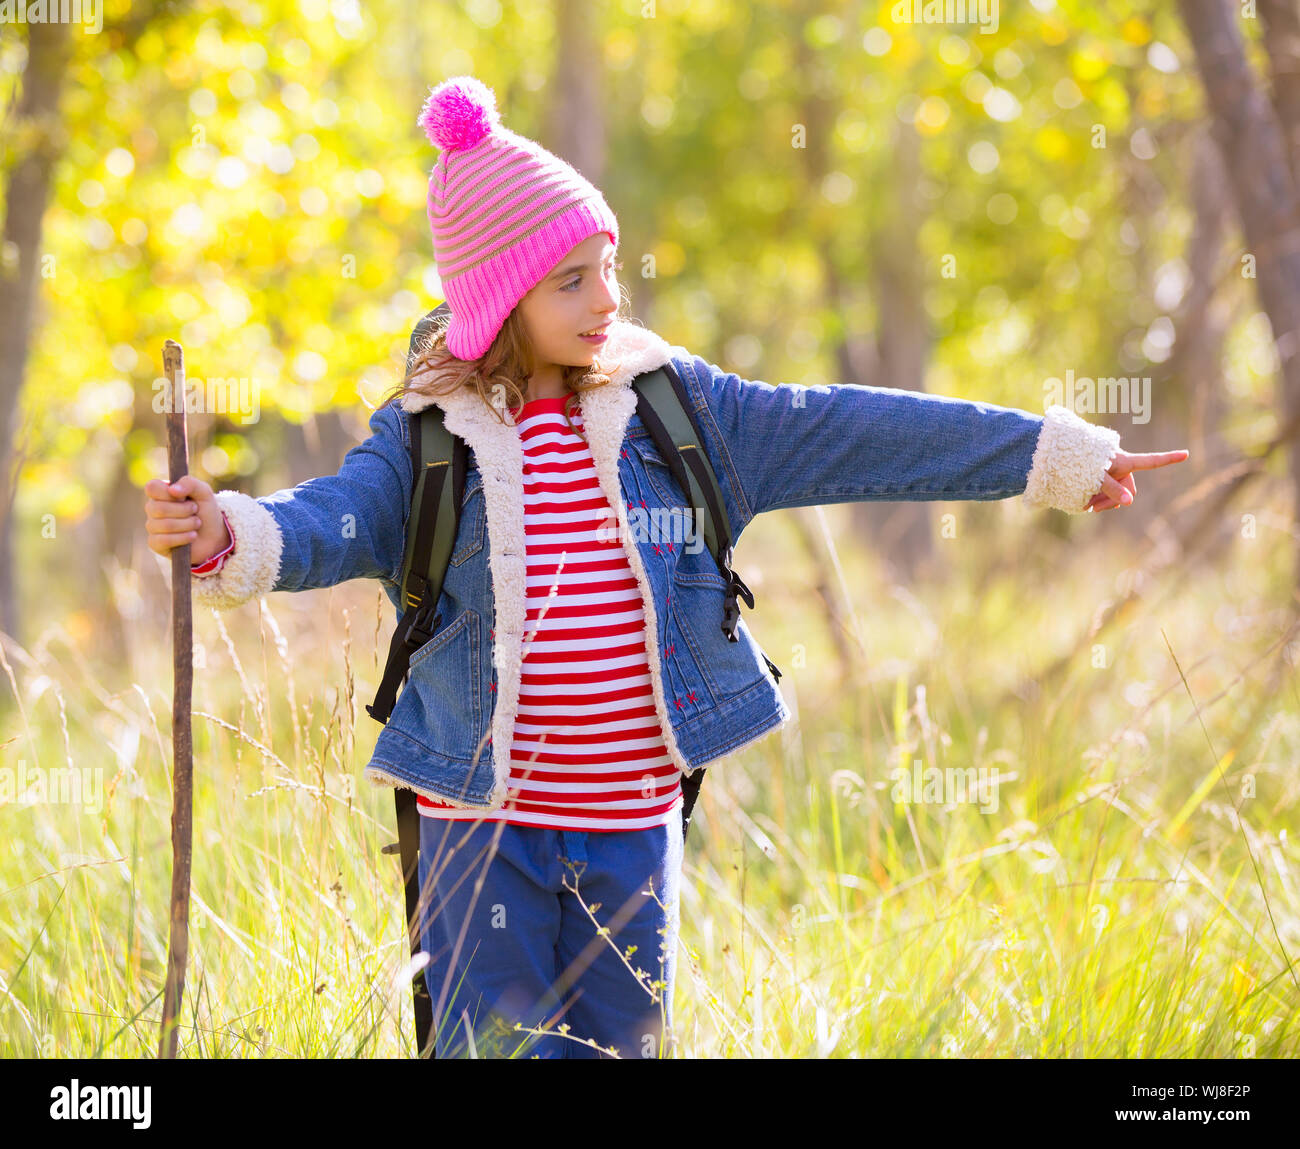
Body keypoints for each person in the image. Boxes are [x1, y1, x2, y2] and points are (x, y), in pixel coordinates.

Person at [143, 75, 1190, 1059]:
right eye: (569, 278)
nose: (607, 295)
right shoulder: (431, 438)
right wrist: (226, 530)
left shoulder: (675, 411)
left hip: (629, 827)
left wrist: (1053, 458)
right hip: (478, 829)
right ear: (499, 297)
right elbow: (330, 518)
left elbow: (851, 430)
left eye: (608, 263)